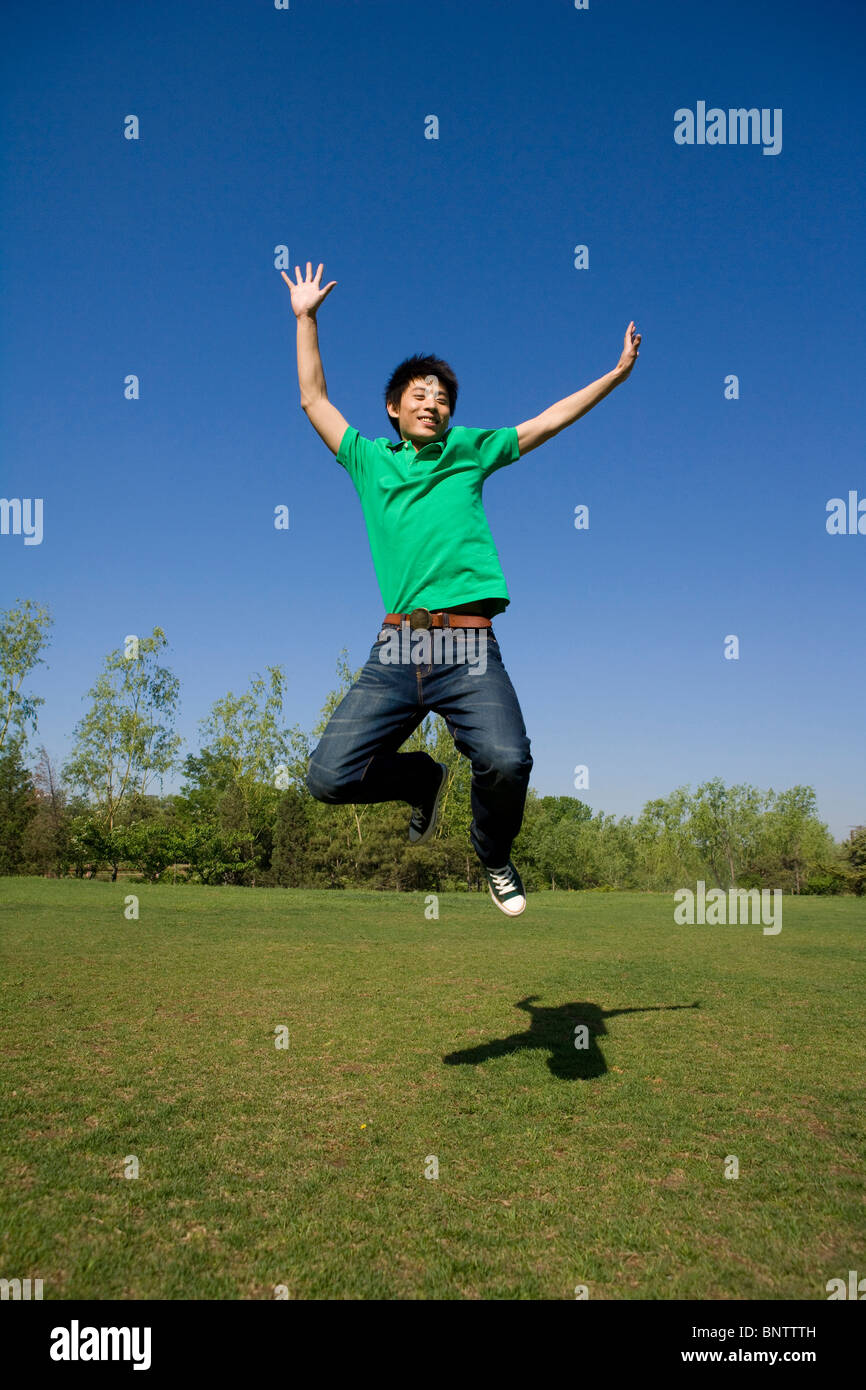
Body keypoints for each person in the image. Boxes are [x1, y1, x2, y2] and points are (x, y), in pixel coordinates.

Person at [282, 261, 640, 916]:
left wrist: (613, 377)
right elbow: (313, 398)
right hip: (396, 650)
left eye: (442, 397)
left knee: (508, 761)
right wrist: (306, 319)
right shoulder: (367, 461)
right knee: (328, 778)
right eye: (419, 394)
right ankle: (421, 777)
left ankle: (494, 854)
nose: (433, 402)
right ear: (395, 408)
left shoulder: (469, 451)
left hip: (470, 649)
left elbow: (548, 421)